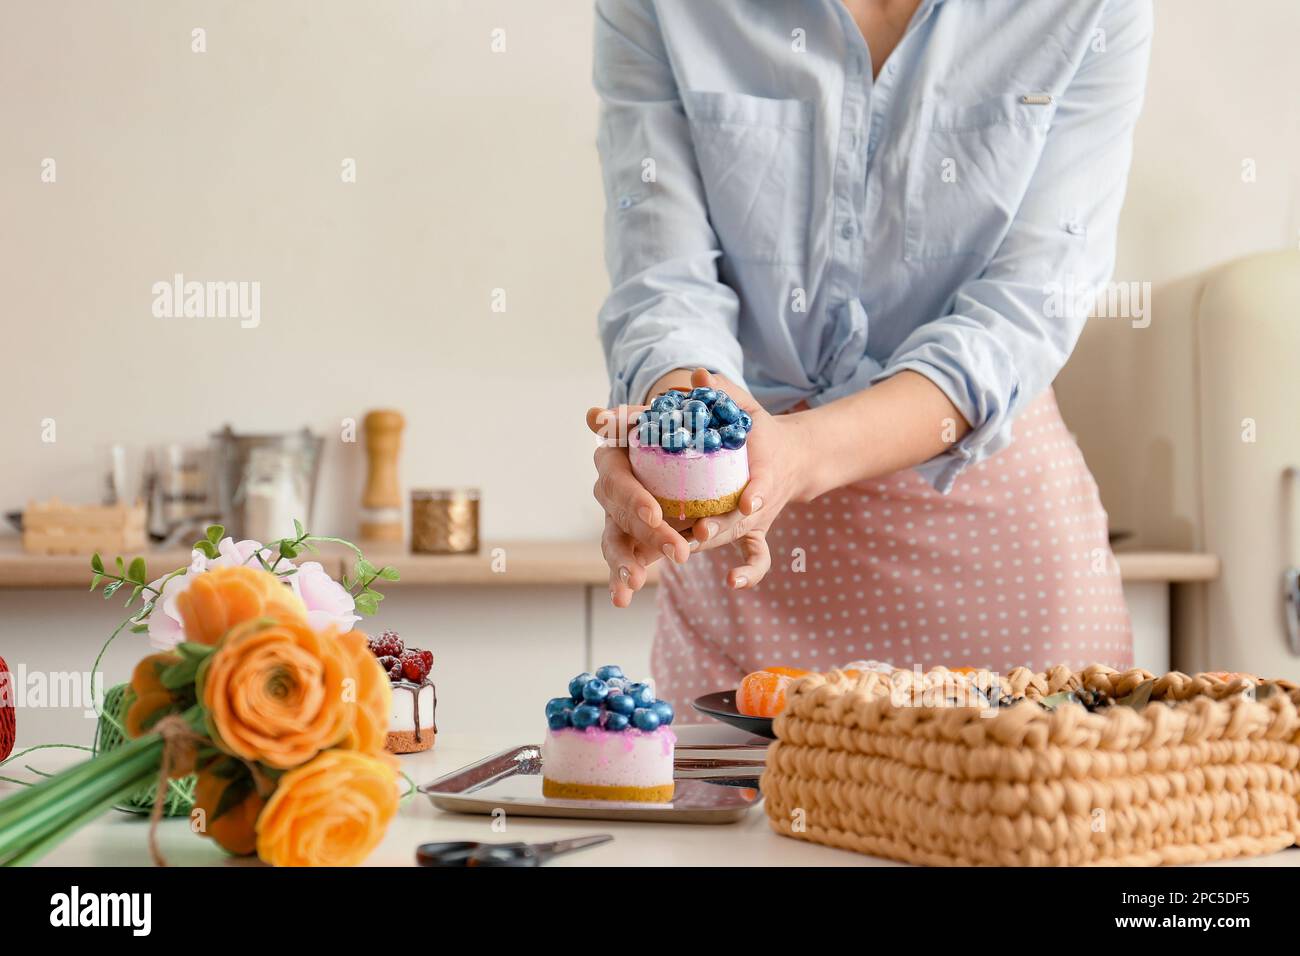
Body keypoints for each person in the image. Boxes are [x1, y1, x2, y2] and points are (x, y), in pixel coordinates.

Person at [587, 0, 1153, 716]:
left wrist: (788, 454)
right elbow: (665, 283)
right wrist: (678, 437)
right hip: (743, 552)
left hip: (997, 565)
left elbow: (1020, 314)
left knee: (1025, 817)